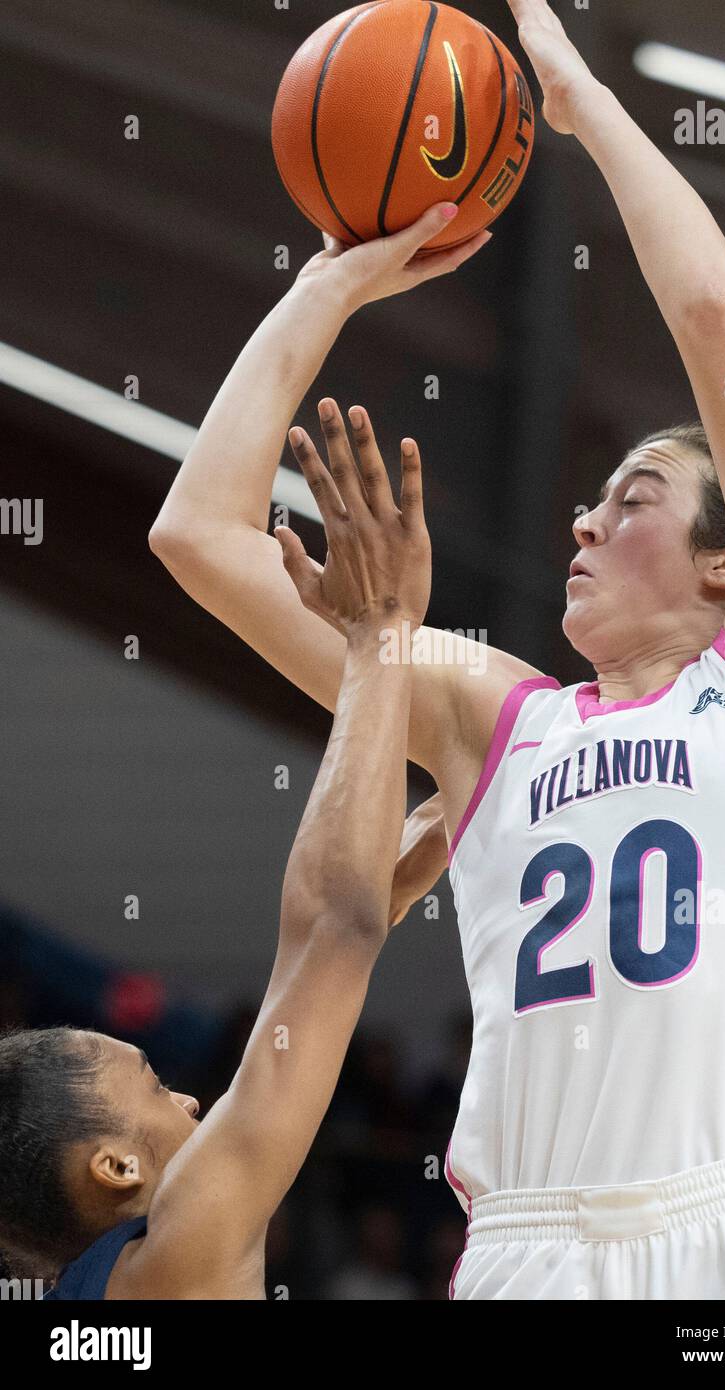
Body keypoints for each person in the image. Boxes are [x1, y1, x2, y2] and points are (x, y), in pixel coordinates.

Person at [149, 1, 725, 1299]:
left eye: (633, 497)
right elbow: (199, 532)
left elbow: (712, 320)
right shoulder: (498, 716)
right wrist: (334, 278)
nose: (583, 520)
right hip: (519, 1252)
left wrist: (581, 106)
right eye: (590, 501)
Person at [0, 416, 435, 1298]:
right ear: (115, 1168)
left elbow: (336, 935)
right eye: (156, 1086)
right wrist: (380, 628)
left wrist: (371, 909)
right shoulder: (178, 1256)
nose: (193, 1100)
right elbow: (330, 929)